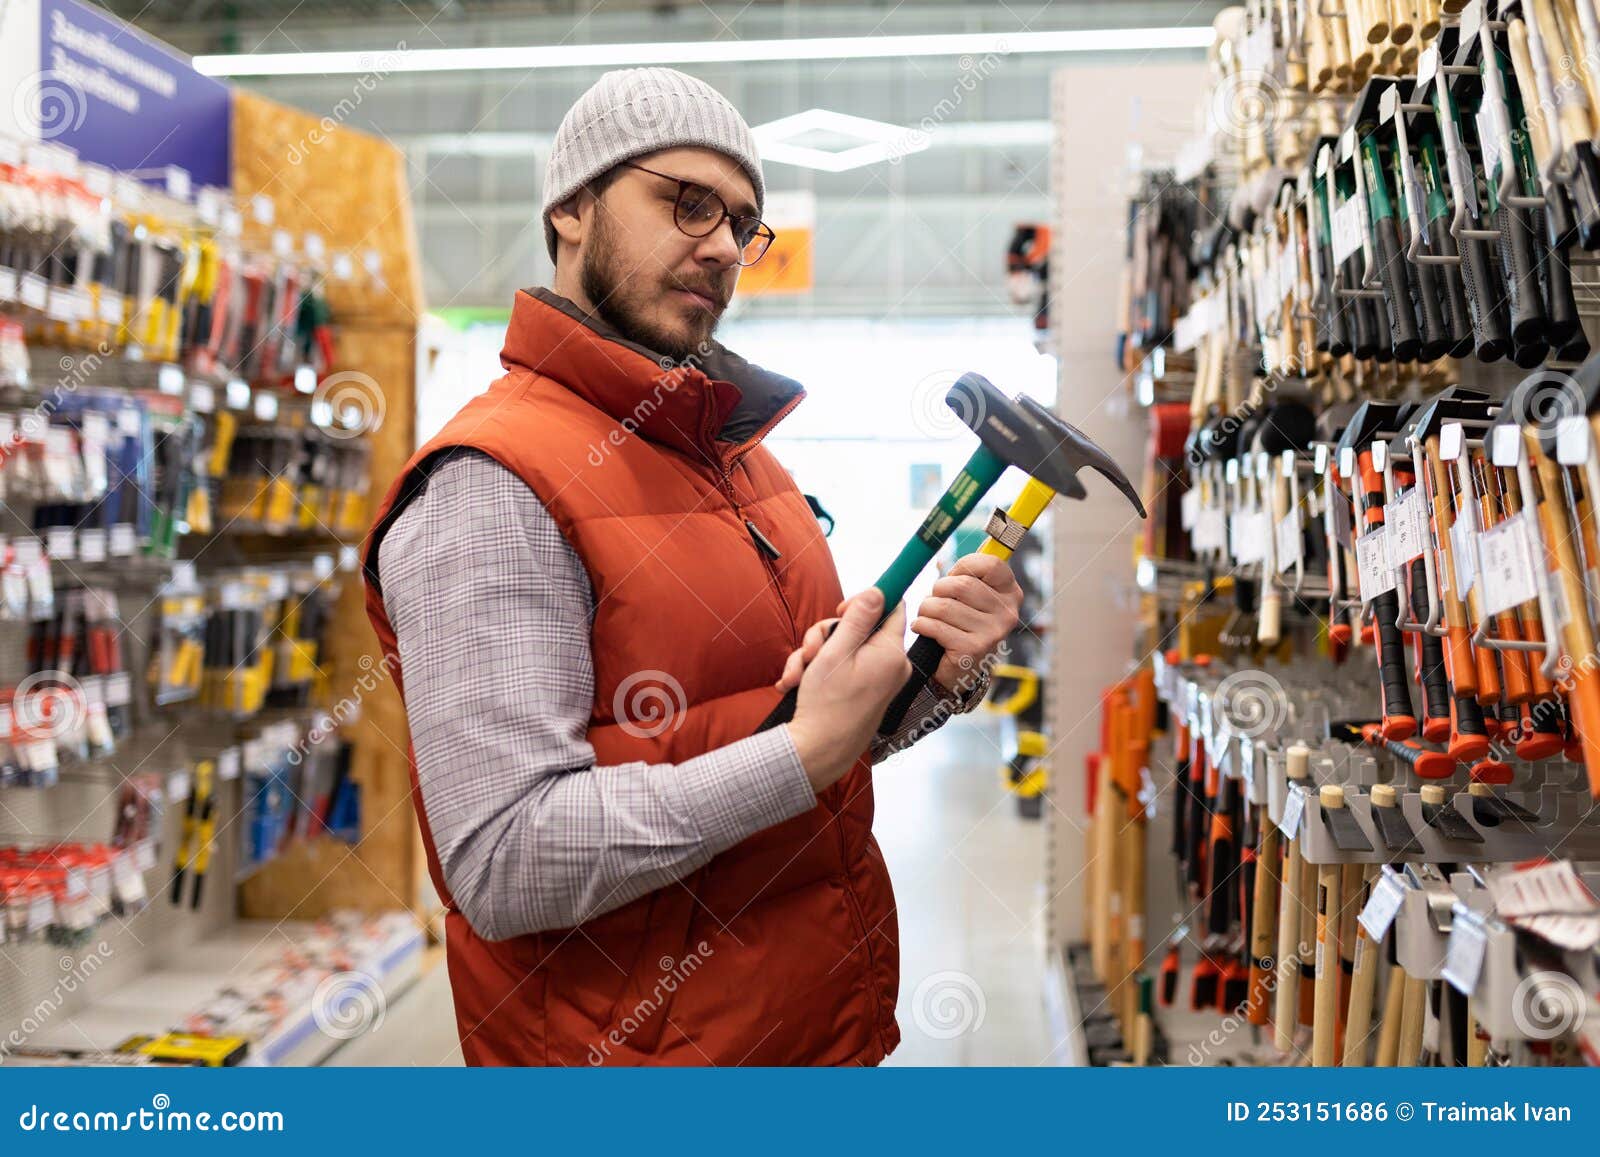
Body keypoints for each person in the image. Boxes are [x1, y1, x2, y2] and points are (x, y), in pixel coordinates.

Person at [362, 67, 1022, 1066]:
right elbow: (504, 859)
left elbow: (801, 737)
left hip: (812, 1039)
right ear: (571, 207)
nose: (721, 245)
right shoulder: (493, 485)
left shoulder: (741, 459)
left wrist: (932, 674)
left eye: (742, 223)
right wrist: (801, 753)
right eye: (687, 202)